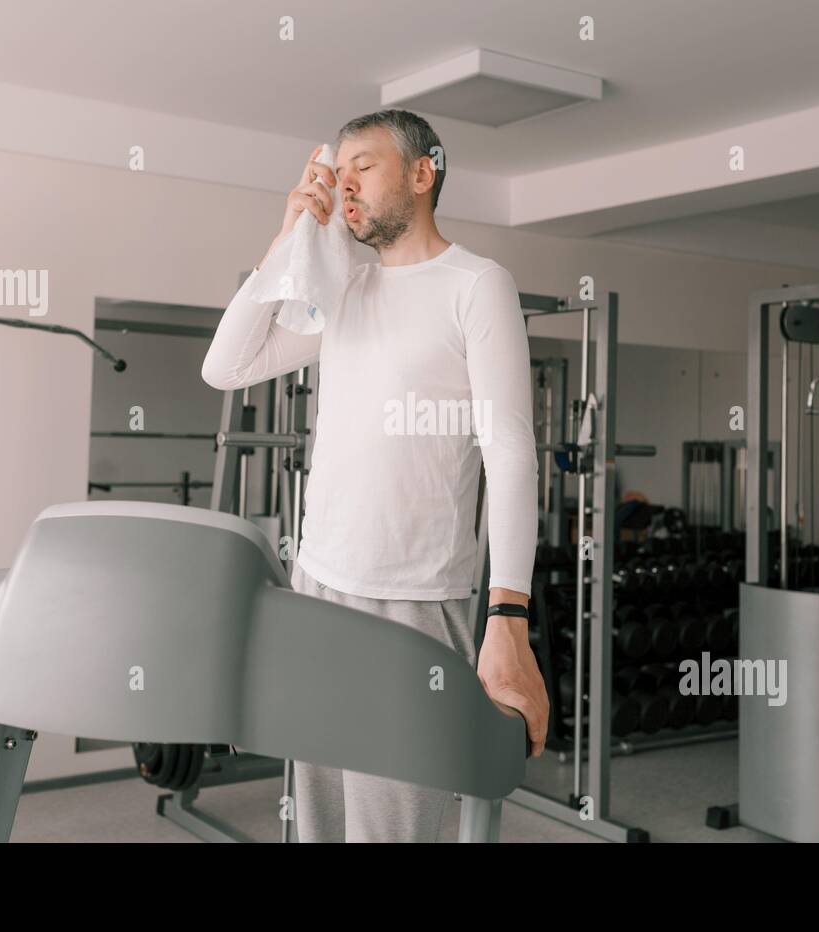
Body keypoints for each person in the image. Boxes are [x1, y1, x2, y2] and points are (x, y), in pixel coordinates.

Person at [201, 109, 548, 842]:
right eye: (337, 168)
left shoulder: (477, 284)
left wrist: (508, 619)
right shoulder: (346, 289)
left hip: (417, 602)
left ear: (423, 174)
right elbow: (225, 366)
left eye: (364, 165)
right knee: (315, 827)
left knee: (389, 832)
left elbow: (509, 451)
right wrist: (285, 240)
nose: (342, 183)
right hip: (320, 589)